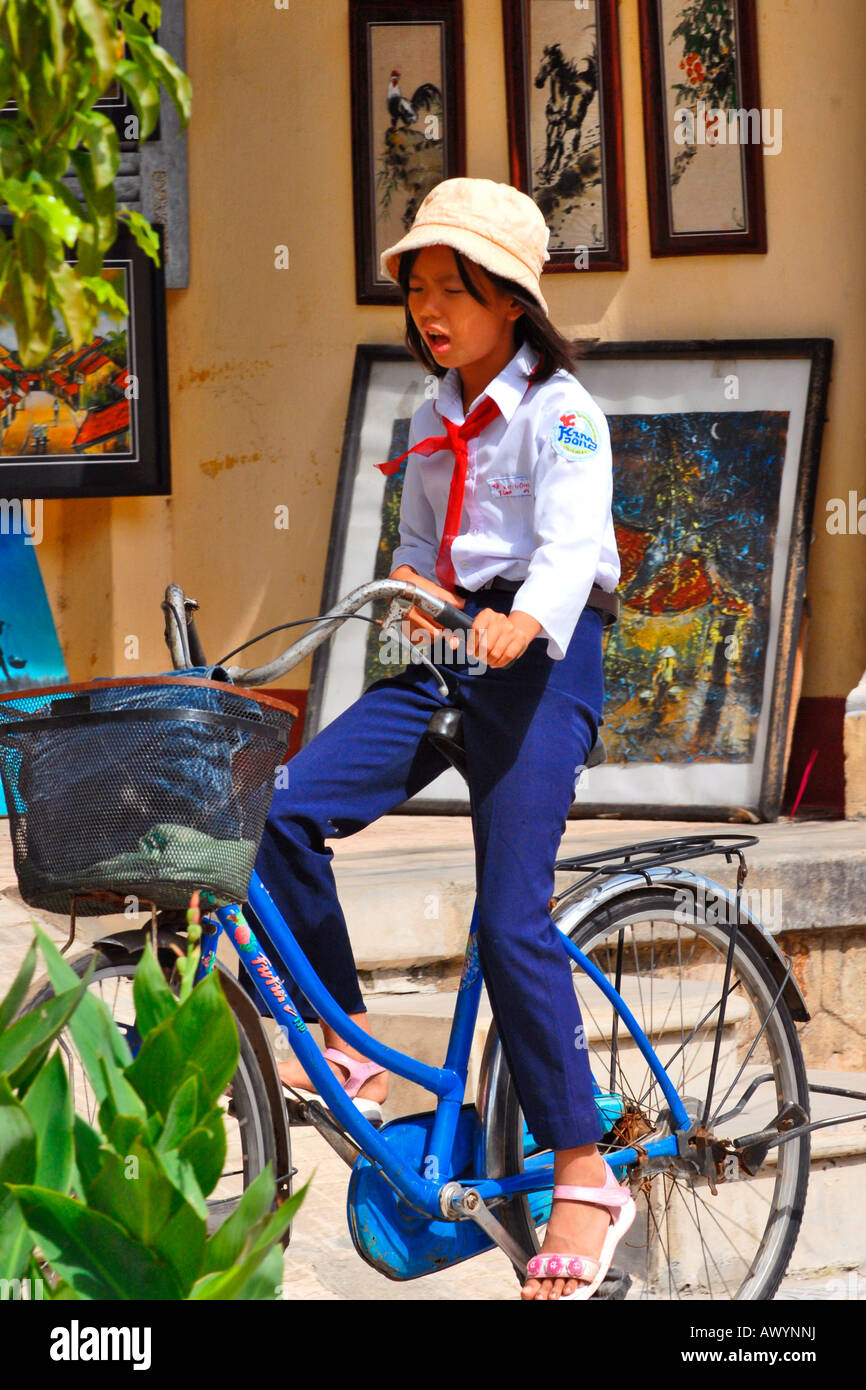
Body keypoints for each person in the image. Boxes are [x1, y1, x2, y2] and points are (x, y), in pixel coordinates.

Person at [245, 177, 632, 1300]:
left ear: (508, 299)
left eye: (450, 288)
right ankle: (353, 1045)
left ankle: (581, 1166)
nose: (428, 309)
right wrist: (422, 595)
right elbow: (422, 544)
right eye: (415, 289)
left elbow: (566, 554)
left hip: (546, 661)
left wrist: (520, 618)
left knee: (508, 919)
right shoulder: (425, 419)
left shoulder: (561, 411)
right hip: (452, 660)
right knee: (278, 812)